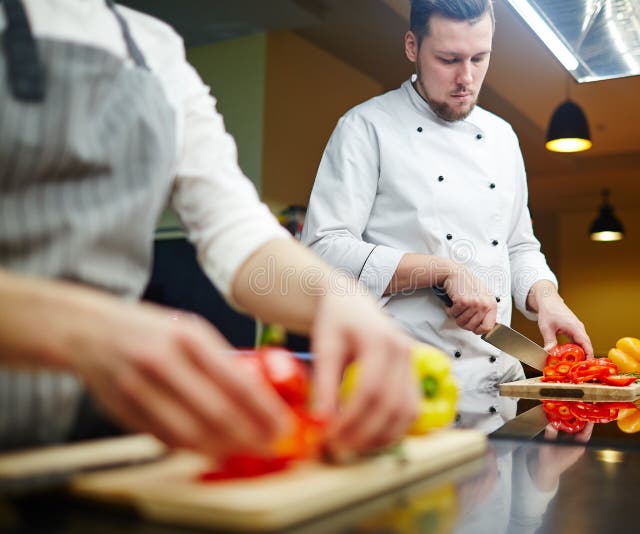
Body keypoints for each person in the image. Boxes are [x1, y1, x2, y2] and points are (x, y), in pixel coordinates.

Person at [0, 0, 419, 456]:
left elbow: (238, 232)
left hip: (93, 448)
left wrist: (337, 298)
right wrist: (83, 328)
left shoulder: (153, 49)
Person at [302, 0, 592, 395]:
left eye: (479, 57)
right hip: (403, 388)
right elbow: (322, 251)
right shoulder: (365, 128)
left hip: (499, 389)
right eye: (449, 59)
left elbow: (518, 247)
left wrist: (548, 299)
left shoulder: (503, 137)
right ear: (412, 47)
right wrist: (443, 270)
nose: (466, 78)